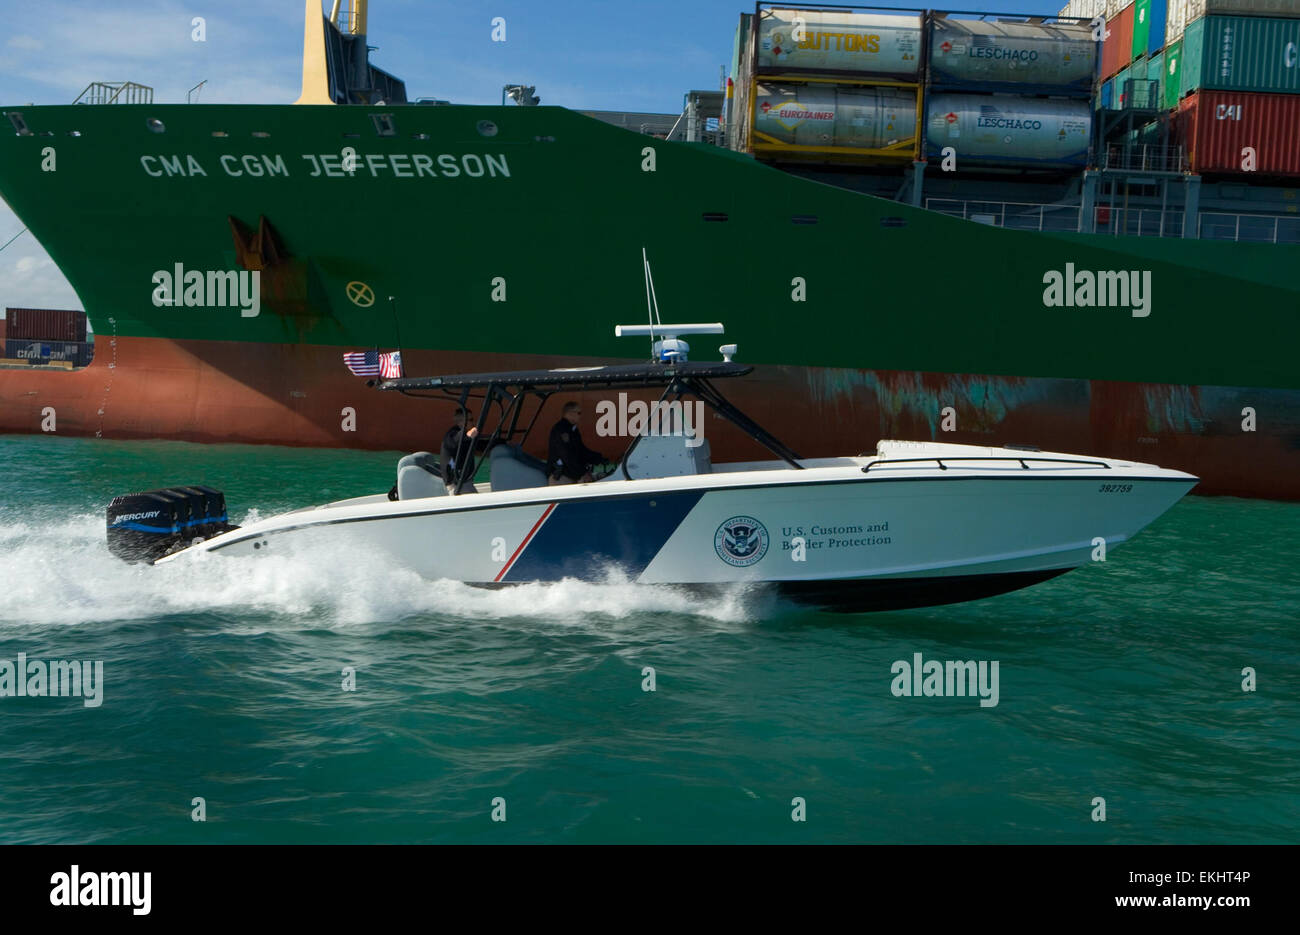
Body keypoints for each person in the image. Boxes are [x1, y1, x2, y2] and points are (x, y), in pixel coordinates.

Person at [547, 401, 607, 484]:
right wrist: (582, 473)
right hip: (562, 478)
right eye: (579, 413)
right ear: (570, 414)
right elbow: (567, 455)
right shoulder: (561, 430)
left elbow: (581, 450)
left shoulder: (572, 430)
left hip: (571, 475)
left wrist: (598, 458)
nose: (580, 416)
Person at [441, 407, 482, 494]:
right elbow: (457, 440)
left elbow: (479, 444)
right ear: (460, 422)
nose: (473, 423)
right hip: (458, 485)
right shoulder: (452, 435)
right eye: (470, 420)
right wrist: (468, 434)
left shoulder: (465, 438)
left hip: (464, 481)